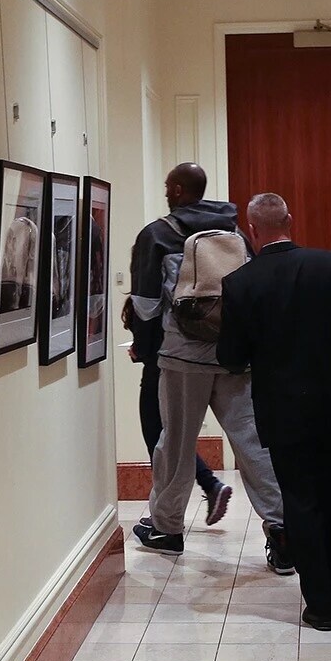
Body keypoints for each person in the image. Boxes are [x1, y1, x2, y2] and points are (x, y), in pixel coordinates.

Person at [218, 193, 331, 630]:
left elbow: (230, 357)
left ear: (252, 230)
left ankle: (319, 603)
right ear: (290, 221)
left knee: (299, 498)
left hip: (282, 411)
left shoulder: (241, 284)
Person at [127, 164, 290, 572]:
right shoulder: (233, 232)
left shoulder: (157, 235)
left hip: (182, 358)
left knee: (176, 444)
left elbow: (147, 306)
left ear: (178, 190)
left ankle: (166, 528)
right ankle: (283, 529)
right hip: (236, 356)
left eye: (168, 186)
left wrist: (146, 346)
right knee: (253, 444)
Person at [123, 297, 232, 526]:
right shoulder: (184, 291)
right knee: (172, 439)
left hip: (158, 370)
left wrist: (138, 351)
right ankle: (208, 486)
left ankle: (165, 520)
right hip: (195, 361)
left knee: (161, 441)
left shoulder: (149, 288)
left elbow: (146, 338)